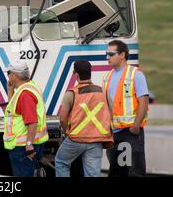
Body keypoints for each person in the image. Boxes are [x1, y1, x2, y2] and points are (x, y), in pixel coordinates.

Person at [55, 60, 113, 177]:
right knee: (92, 173)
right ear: (90, 73)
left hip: (76, 139)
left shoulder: (71, 93)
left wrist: (67, 131)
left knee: (61, 162)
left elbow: (62, 118)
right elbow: (111, 113)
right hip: (97, 139)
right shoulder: (103, 92)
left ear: (76, 74)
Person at [104, 40, 149, 177]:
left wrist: (135, 126)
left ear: (122, 54)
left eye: (111, 54)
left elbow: (144, 101)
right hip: (114, 133)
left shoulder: (136, 74)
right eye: (107, 54)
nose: (107, 57)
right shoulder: (107, 76)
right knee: (117, 173)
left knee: (135, 173)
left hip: (130, 133)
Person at [3, 61, 49, 177]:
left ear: (14, 75)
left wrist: (29, 145)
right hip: (28, 144)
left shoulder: (25, 94)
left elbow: (32, 122)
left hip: (22, 147)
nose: (8, 76)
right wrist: (10, 91)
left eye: (9, 73)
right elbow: (15, 110)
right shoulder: (31, 86)